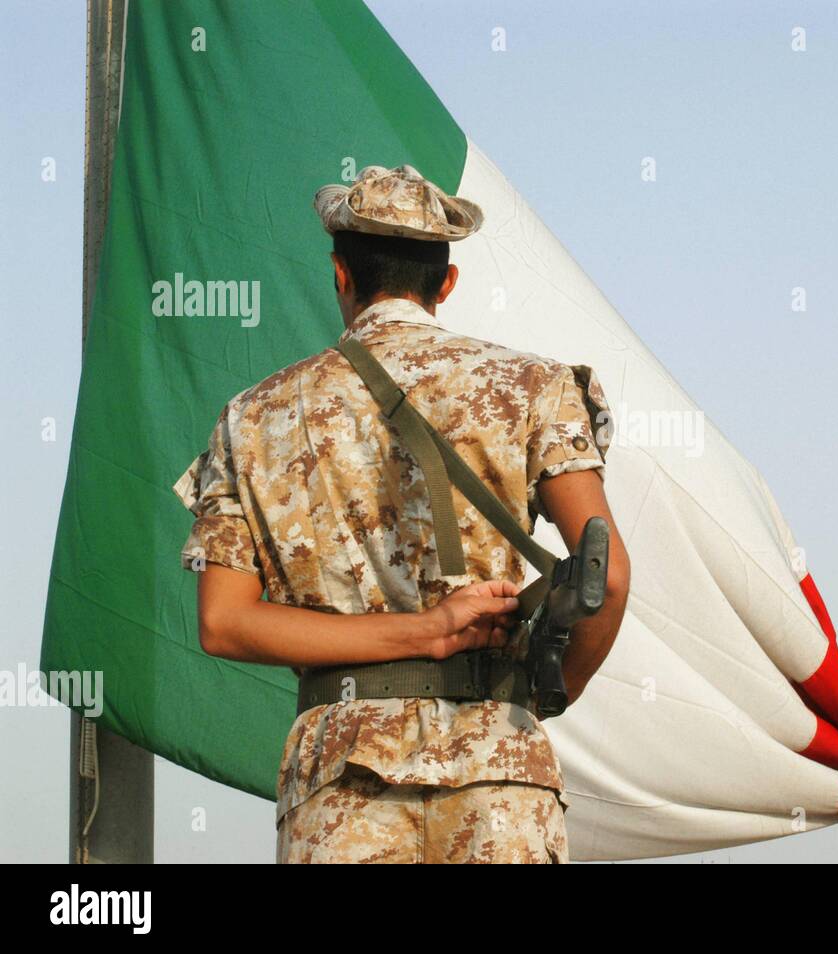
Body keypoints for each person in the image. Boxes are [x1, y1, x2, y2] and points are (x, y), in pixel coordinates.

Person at [172, 163, 631, 863]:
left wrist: (421, 631)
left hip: (341, 781)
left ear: (339, 275)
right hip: (498, 769)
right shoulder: (535, 388)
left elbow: (223, 621)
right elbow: (611, 577)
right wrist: (542, 697)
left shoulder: (251, 418)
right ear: (446, 283)